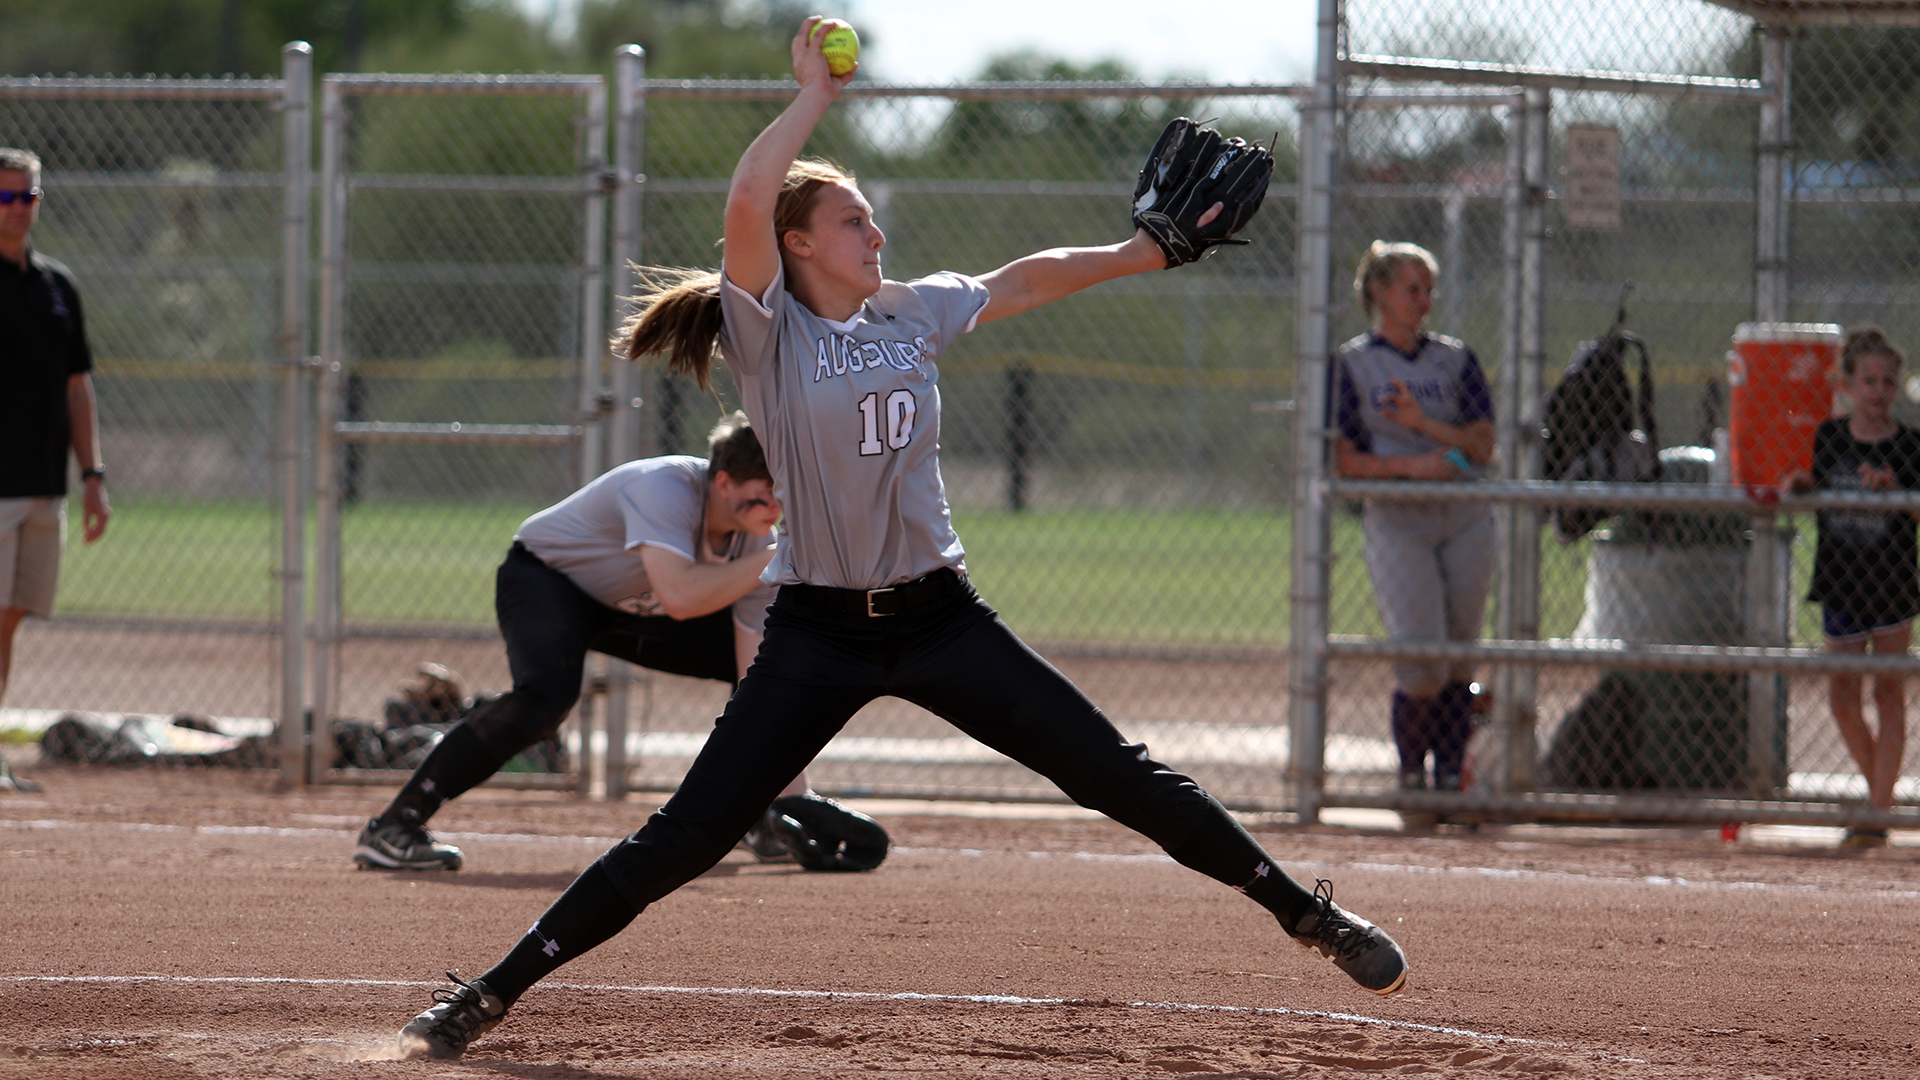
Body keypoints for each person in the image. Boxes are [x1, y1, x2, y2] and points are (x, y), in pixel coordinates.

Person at [389, 17, 1404, 1062]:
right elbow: (745, 201)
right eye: (852, 221)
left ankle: (1306, 916)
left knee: (1118, 774)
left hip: (939, 620)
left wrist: (1140, 253)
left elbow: (1022, 278)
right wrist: (813, 100)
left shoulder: (910, 315)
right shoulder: (770, 339)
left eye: (872, 219)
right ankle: (492, 992)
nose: (875, 234)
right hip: (817, 634)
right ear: (798, 246)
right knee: (684, 835)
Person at [353, 412, 887, 871]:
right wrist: (777, 558)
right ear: (722, 482)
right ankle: (394, 827)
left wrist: (791, 797)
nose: (774, 505)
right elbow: (678, 597)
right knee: (544, 698)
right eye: (763, 490)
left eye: (782, 493)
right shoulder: (666, 486)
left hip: (630, 606)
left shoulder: (758, 544)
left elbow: (756, 679)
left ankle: (754, 817)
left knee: (777, 666)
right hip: (546, 581)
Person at [1332, 241, 1495, 795]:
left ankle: (1451, 774)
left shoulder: (1455, 357)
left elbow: (1482, 444)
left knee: (1459, 655)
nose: (1424, 301)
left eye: (1429, 290)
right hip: (1398, 516)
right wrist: (1414, 464)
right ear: (1379, 291)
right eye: (1412, 288)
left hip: (1464, 515)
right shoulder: (1353, 363)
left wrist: (1424, 425)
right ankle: (1410, 776)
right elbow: (1345, 461)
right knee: (1420, 655)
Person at [0, 147, 110, 795]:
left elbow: (77, 386)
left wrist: (92, 474)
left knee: (12, 614)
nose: (17, 209)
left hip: (44, 482)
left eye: (27, 196)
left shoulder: (56, 286)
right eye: (6, 197)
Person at [1784, 326, 1919, 849]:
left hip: (1892, 581)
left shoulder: (1909, 445)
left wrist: (1897, 489)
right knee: (1842, 696)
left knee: (1889, 692)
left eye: (1888, 381)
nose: (1879, 390)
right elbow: (1819, 483)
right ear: (1847, 385)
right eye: (1869, 380)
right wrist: (1802, 485)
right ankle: (1879, 795)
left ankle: (1877, 813)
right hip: (1841, 578)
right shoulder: (1830, 436)